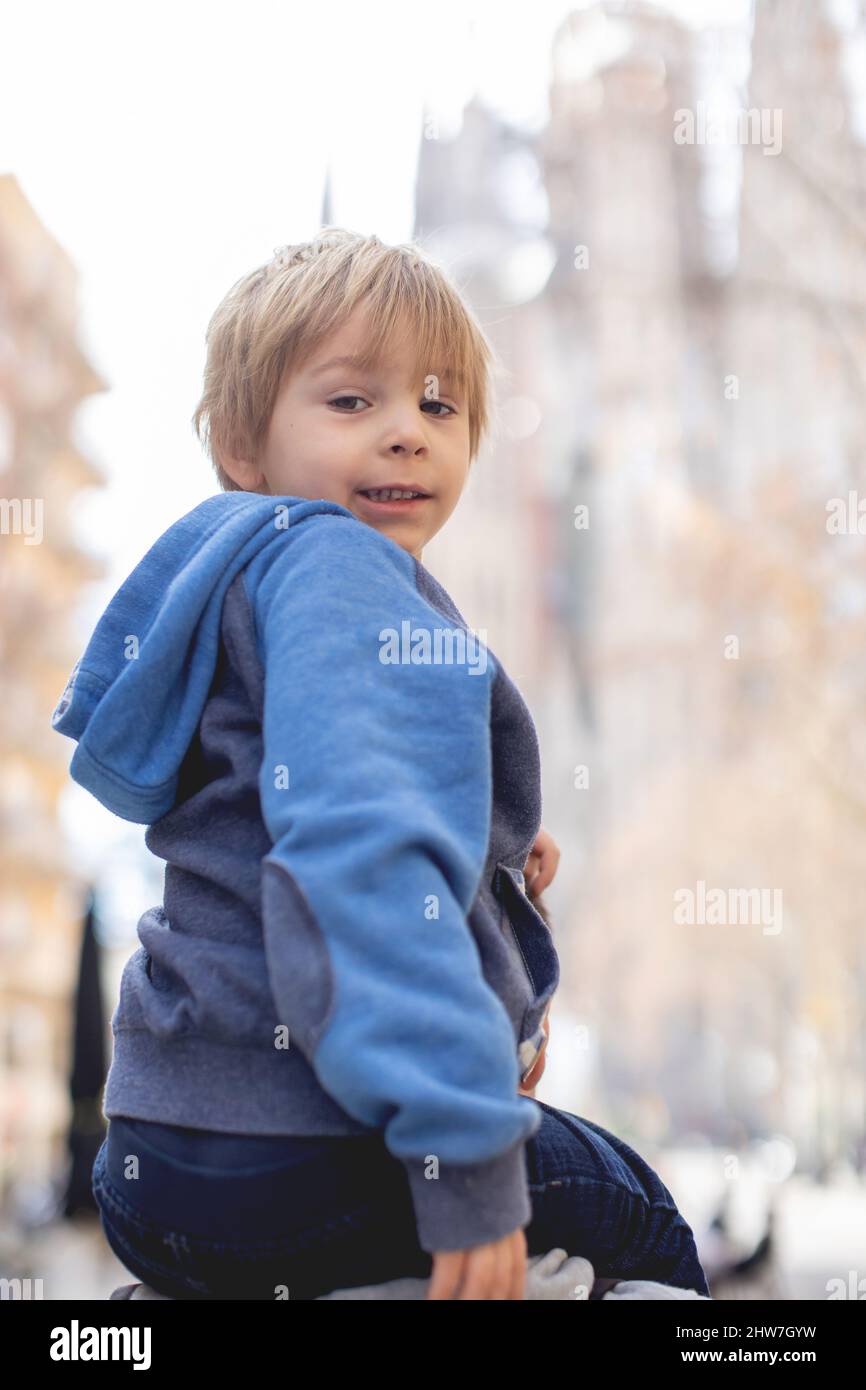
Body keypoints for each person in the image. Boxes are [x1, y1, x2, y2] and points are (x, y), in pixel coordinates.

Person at [53, 228, 710, 1301]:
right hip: (296, 1149)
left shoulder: (242, 584)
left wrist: (489, 865)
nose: (406, 432)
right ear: (241, 443)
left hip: (157, 1168)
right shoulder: (340, 568)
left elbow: (273, 823)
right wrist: (460, 1148)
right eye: (352, 402)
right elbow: (358, 858)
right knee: (636, 1215)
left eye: (439, 406)